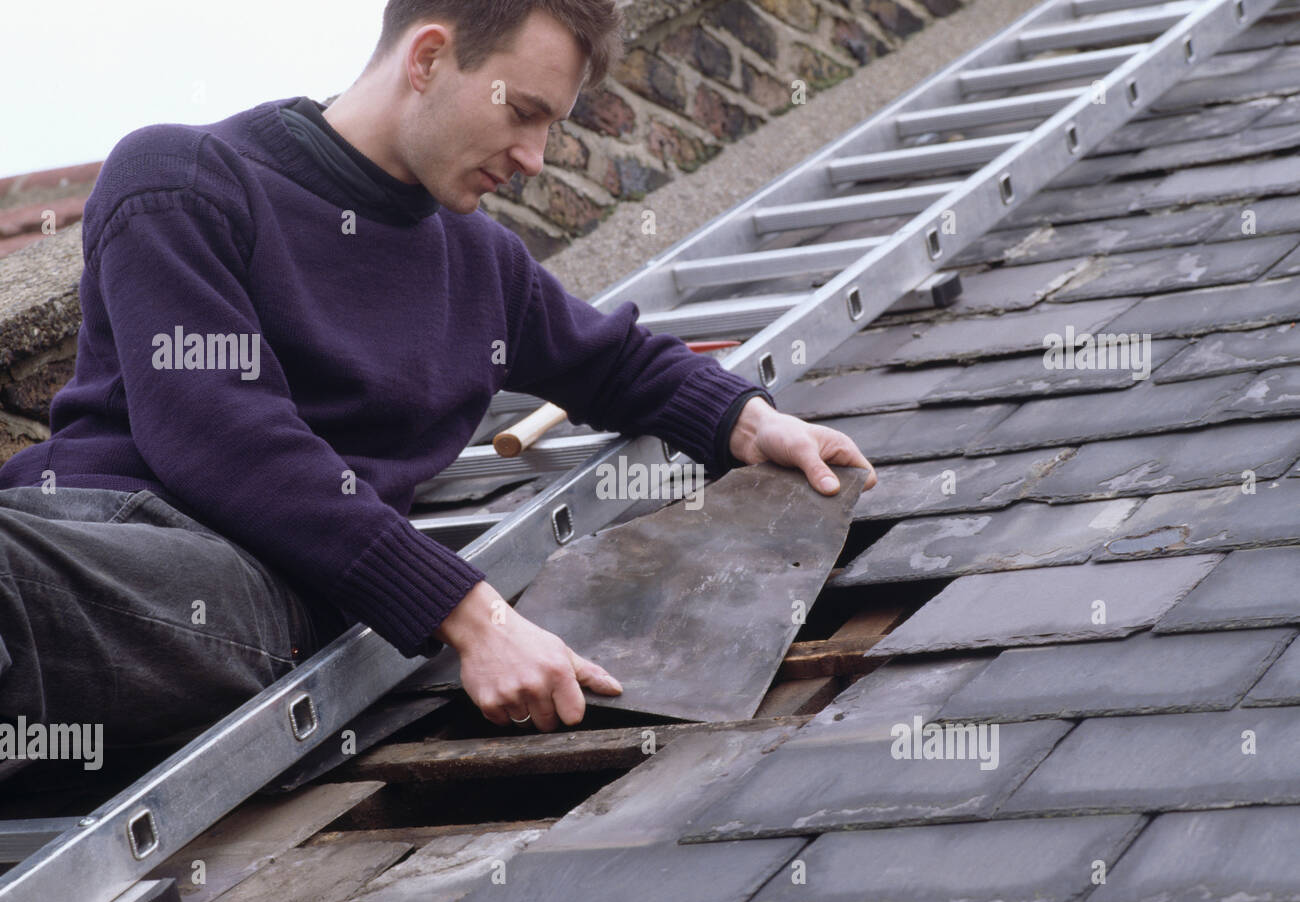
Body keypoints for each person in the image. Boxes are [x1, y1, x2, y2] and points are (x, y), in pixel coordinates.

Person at [0, 0, 874, 754]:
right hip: (91, 531)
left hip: (249, 582)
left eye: (552, 127)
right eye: (522, 112)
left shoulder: (481, 265)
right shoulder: (180, 180)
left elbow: (617, 363)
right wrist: (471, 613)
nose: (534, 157)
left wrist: (759, 425)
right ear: (427, 58)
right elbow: (218, 431)